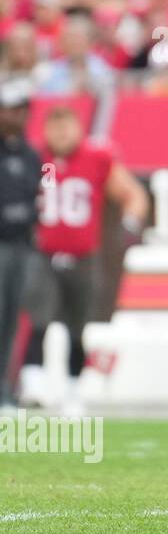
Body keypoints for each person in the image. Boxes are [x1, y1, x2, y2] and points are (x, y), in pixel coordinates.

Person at [19, 107, 148, 413]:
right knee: (39, 319)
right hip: (43, 253)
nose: (61, 134)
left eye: (67, 127)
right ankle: (33, 385)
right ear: (46, 130)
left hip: (83, 256)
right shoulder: (33, 159)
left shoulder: (97, 158)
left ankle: (73, 391)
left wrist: (130, 225)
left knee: (78, 328)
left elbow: (134, 195)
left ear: (79, 129)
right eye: (55, 127)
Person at [0, 79, 41, 411]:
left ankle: (7, 387)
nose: (15, 115)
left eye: (20, 109)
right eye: (10, 109)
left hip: (22, 245)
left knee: (13, 319)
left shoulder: (31, 155)